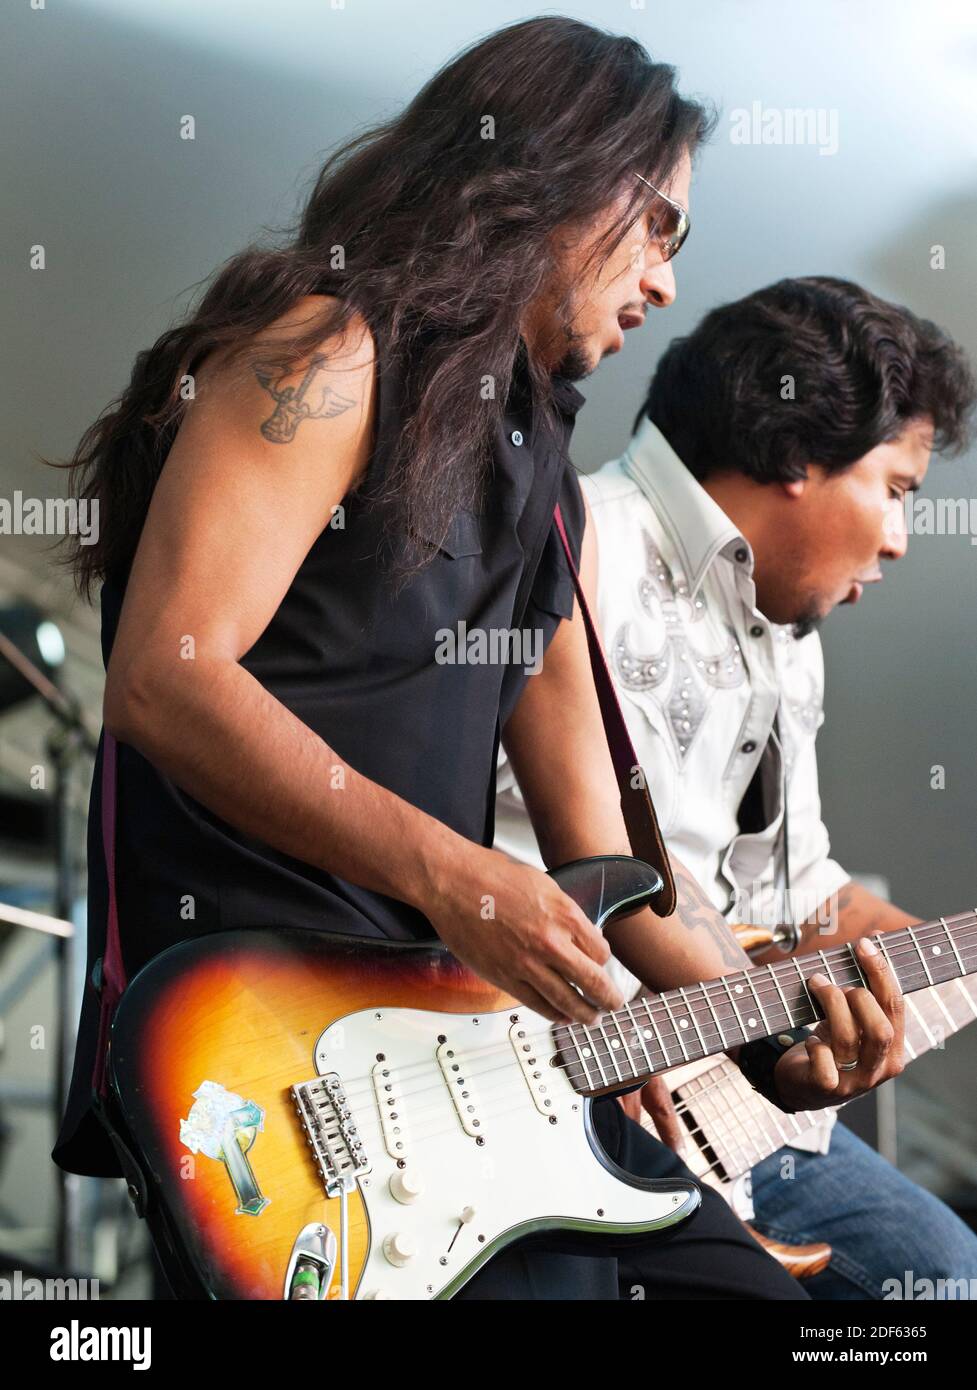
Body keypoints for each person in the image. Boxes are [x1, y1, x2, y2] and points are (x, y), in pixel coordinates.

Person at [53, 20, 903, 1299]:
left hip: (461, 1082)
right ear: (554, 170)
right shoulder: (328, 352)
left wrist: (784, 1037)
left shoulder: (545, 495)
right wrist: (457, 880)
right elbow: (167, 673)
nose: (665, 283)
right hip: (268, 1054)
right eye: (659, 225)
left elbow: (620, 882)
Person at [495, 275, 977, 1298]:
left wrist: (922, 970)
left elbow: (799, 897)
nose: (896, 540)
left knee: (937, 1278)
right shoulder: (573, 546)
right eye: (894, 489)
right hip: (528, 1086)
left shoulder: (786, 640)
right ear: (797, 454)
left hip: (726, 1092)